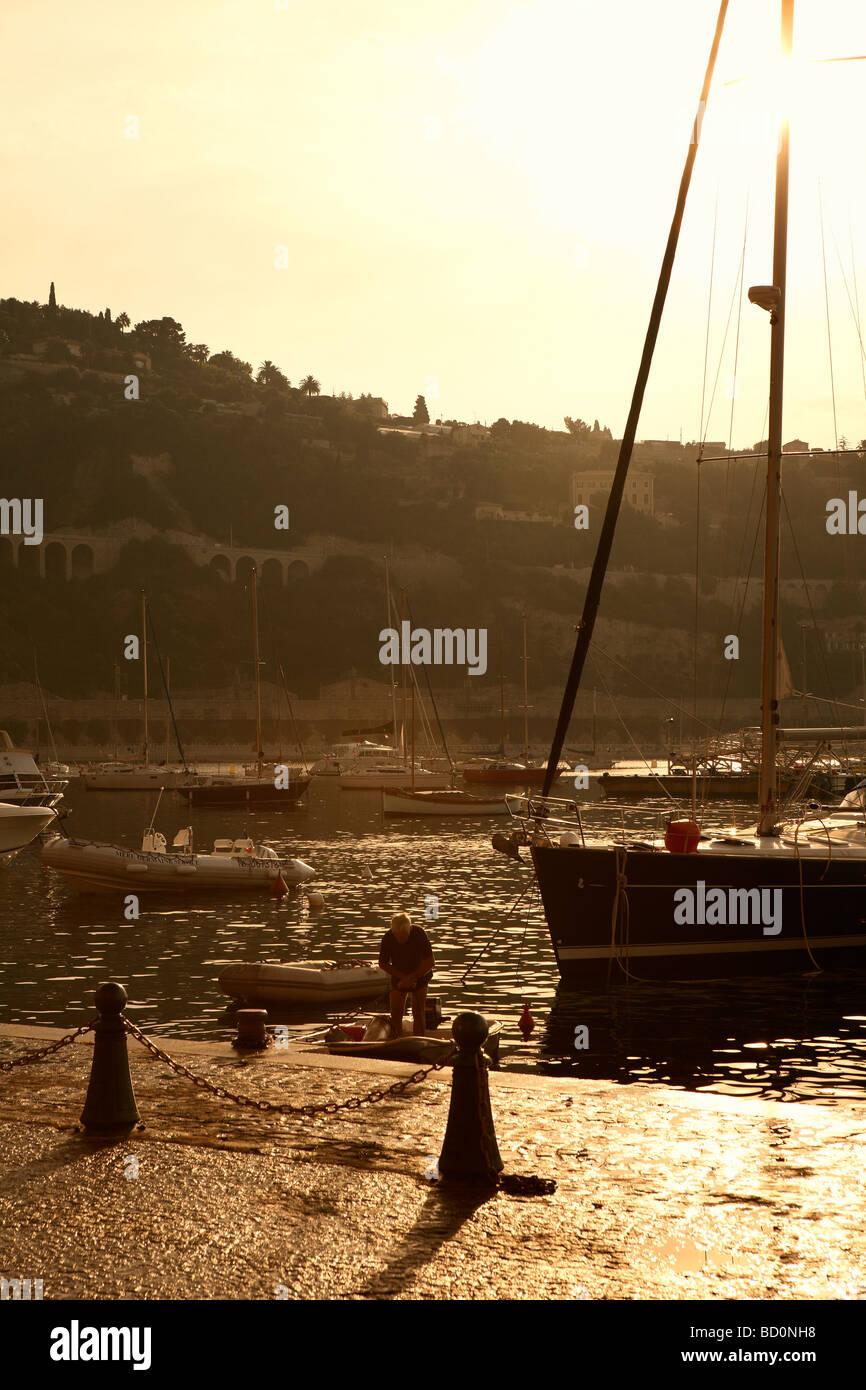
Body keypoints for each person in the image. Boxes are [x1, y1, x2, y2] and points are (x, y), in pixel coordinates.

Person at [378, 911, 435, 1039]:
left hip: (421, 974)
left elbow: (430, 961)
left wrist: (412, 977)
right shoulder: (388, 937)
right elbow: (382, 963)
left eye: (403, 936)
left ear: (409, 929)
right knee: (396, 1014)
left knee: (418, 1013)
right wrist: (404, 978)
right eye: (397, 936)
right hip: (399, 975)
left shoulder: (419, 934)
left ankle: (419, 1040)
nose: (400, 939)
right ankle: (397, 1040)